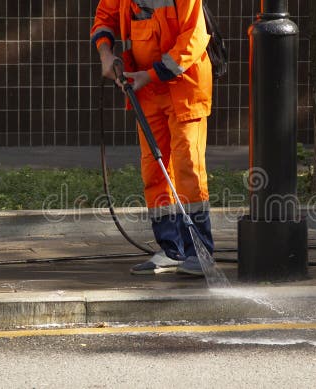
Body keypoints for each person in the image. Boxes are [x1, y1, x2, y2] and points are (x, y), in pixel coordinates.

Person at [91, 0, 214, 276]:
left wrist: (150, 75)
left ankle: (199, 251)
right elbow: (104, 18)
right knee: (154, 171)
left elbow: (193, 39)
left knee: (188, 167)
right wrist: (105, 54)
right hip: (147, 93)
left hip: (185, 88)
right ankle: (171, 249)